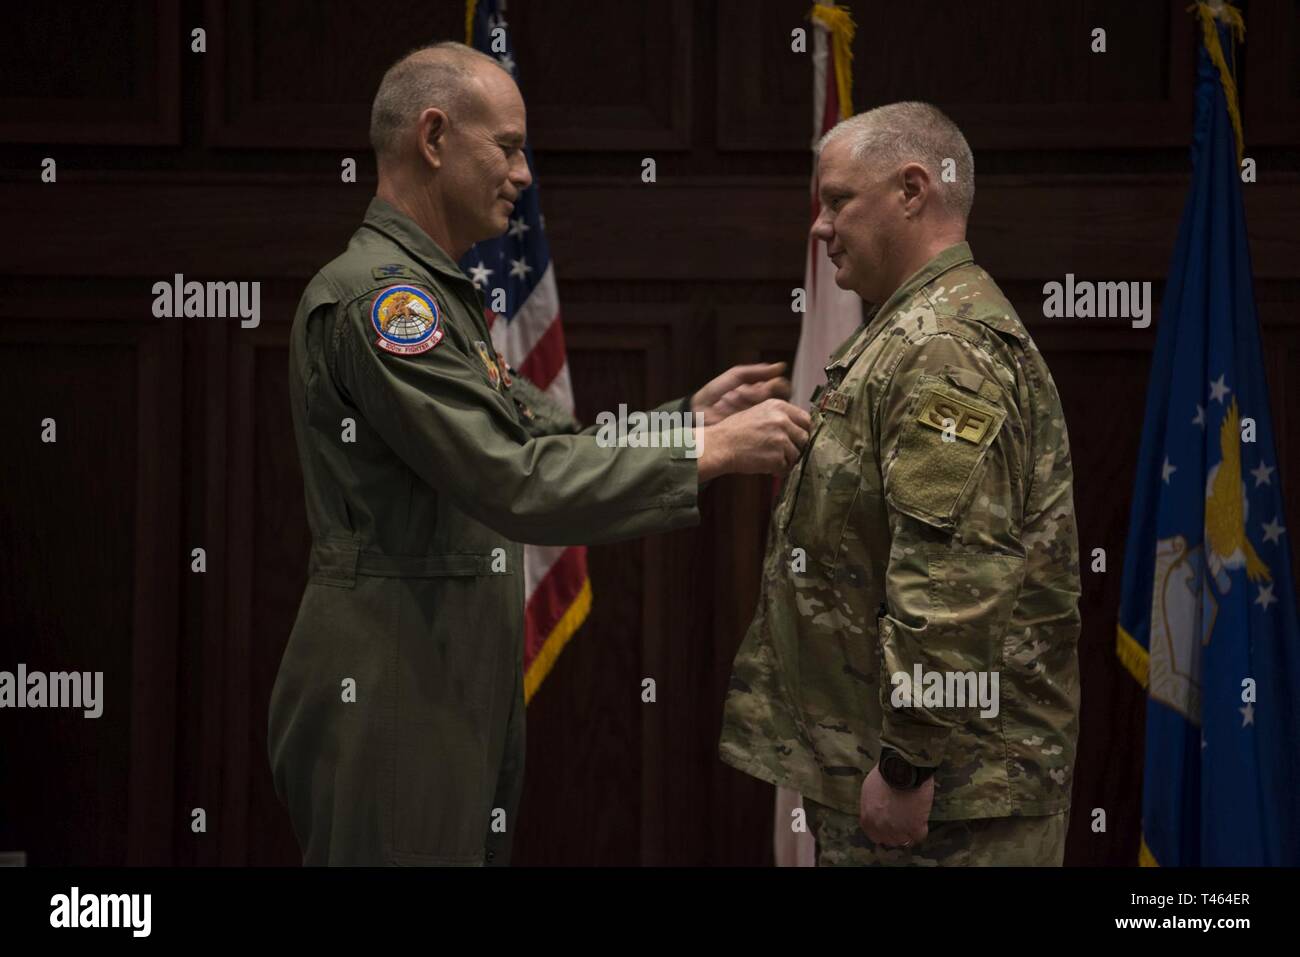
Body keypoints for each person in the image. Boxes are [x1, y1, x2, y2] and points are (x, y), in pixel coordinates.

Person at [267, 42, 811, 866]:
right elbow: (513, 478)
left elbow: (541, 437)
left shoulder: (437, 291)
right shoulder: (385, 302)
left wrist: (682, 422)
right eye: (510, 147)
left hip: (445, 663)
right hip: (391, 680)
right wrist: (711, 450)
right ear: (435, 136)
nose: (523, 176)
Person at [719, 102, 1081, 866]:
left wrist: (908, 762)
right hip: (906, 782)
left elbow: (954, 576)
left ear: (913, 190)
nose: (820, 226)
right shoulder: (905, 331)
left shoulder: (946, 347)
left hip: (951, 804)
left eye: (838, 200)